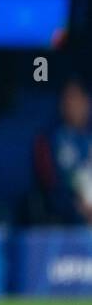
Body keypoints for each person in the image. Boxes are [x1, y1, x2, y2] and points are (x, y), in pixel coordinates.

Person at [33, 77, 92, 225]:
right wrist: (78, 208)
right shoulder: (48, 141)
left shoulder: (88, 138)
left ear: (87, 102)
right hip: (68, 219)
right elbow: (51, 188)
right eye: (67, 98)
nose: (71, 104)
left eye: (76, 98)